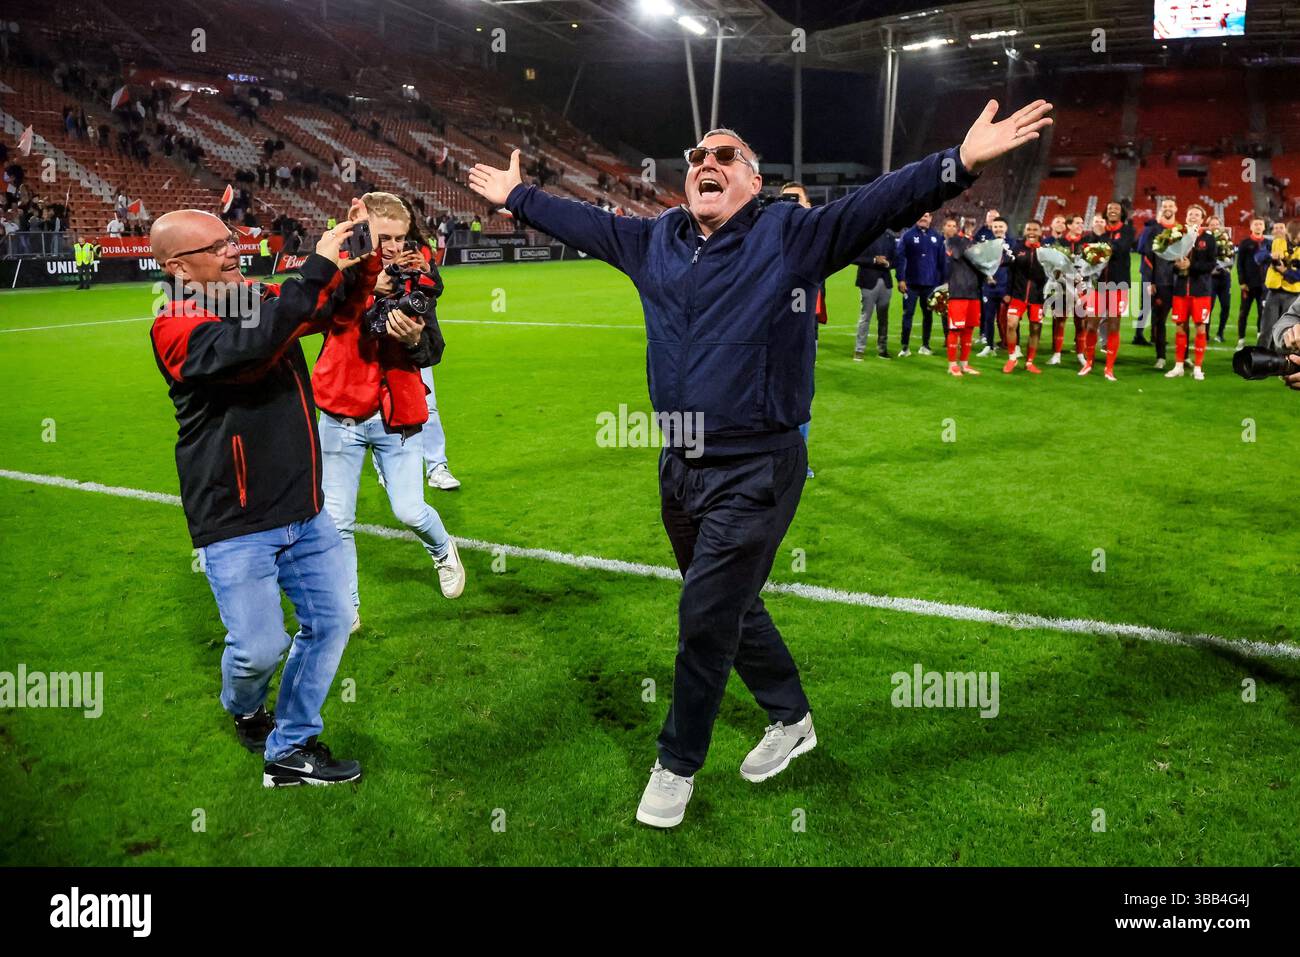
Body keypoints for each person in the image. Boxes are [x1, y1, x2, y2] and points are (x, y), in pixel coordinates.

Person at [469, 98, 1053, 828]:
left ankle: (676, 763)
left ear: (752, 178)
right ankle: (792, 716)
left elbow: (877, 202)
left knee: (705, 614)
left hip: (757, 465)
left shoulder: (791, 234)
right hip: (678, 464)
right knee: (732, 606)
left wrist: (957, 163)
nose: (704, 165)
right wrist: (517, 198)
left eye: (722, 157)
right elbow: (585, 223)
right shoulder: (656, 239)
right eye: (695, 159)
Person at [148, 206, 366, 787]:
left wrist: (365, 259)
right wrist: (316, 269)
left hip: (304, 505)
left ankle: (292, 746)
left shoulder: (251, 296)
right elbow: (254, 346)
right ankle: (244, 704)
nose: (232, 250)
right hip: (236, 517)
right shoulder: (173, 324)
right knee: (259, 650)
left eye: (230, 240)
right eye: (216, 246)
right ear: (178, 266)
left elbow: (318, 309)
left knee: (332, 622)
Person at [312, 192, 466, 631]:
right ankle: (349, 608)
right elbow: (314, 315)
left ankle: (443, 551)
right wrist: (363, 292)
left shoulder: (417, 277)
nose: (394, 248)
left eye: (401, 238)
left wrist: (414, 339)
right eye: (385, 238)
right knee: (338, 519)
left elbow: (433, 349)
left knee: (409, 510)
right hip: (341, 410)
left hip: (396, 411)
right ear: (362, 231)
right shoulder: (337, 268)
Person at [1164, 203, 1216, 380]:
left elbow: (1211, 264)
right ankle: (1178, 365)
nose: (1193, 217)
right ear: (1186, 218)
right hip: (1180, 290)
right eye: (1190, 214)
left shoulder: (1208, 239)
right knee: (1180, 327)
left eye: (1196, 215)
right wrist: (1176, 265)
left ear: (1202, 220)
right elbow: (1168, 261)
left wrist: (1191, 265)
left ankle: (1198, 367)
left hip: (1201, 291)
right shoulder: (1178, 236)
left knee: (1200, 328)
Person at [896, 211, 946, 356]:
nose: (923, 218)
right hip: (910, 284)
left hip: (930, 284)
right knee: (908, 314)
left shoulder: (937, 237)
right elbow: (900, 258)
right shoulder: (907, 235)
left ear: (931, 218)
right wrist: (901, 279)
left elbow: (941, 262)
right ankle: (904, 347)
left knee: (928, 315)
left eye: (926, 216)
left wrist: (943, 283)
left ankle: (925, 345)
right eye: (921, 215)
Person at [1002, 219, 1048, 374]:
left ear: (1041, 232)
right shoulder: (1017, 248)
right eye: (1029, 229)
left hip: (1037, 297)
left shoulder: (1046, 251)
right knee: (1011, 324)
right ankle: (1012, 358)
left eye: (1035, 229)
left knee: (1035, 328)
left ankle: (1029, 362)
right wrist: (1008, 292)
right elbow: (1010, 272)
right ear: (1025, 231)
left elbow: (1050, 276)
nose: (1032, 232)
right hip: (1018, 295)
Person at [1139, 197, 1179, 369]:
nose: (1168, 208)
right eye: (1165, 206)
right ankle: (1161, 357)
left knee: (1182, 321)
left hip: (1180, 282)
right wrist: (1149, 281)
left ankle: (1183, 357)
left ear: (1176, 208)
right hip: (1161, 282)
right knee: (1159, 320)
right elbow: (1147, 257)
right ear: (1161, 209)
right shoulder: (1154, 229)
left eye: (1170, 205)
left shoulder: (1181, 230)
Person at [943, 225, 985, 376]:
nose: (970, 230)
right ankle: (952, 365)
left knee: (969, 329)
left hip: (973, 292)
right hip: (958, 292)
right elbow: (956, 254)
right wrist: (966, 240)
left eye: (972, 227)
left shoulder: (976, 244)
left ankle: (965, 364)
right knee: (955, 330)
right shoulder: (953, 241)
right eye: (967, 227)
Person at [852, 227, 896, 360]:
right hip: (868, 280)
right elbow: (854, 256)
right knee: (865, 316)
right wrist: (874, 260)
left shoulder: (890, 236)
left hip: (885, 281)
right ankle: (859, 350)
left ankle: (882, 349)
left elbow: (896, 258)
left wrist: (887, 263)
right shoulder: (864, 234)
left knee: (883, 318)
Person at [1258, 220, 1300, 347]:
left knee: (1286, 332)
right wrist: (1270, 256)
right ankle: (1261, 358)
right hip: (1274, 292)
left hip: (1293, 296)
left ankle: (1282, 361)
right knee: (1266, 329)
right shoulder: (1276, 242)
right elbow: (1258, 257)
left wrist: (1285, 271)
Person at [976, 217, 1011, 358]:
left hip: (1006, 288)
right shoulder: (986, 245)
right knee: (988, 318)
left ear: (1006, 228)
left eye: (1001, 226)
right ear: (992, 228)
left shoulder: (1013, 244)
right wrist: (986, 275)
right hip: (989, 288)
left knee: (1010, 319)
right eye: (995, 226)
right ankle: (990, 346)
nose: (998, 229)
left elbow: (1015, 267)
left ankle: (1015, 346)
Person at [1235, 217, 1268, 350]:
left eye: (1260, 224)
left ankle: (1260, 337)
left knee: (1262, 312)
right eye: (1256, 224)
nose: (1258, 226)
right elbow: (1239, 264)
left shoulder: (1268, 243)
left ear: (1264, 227)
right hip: (1248, 285)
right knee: (1244, 312)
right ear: (1251, 227)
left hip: (1264, 286)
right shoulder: (1245, 243)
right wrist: (1242, 281)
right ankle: (1241, 339)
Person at [1204, 215, 1233, 343]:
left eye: (1217, 224)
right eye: (1212, 224)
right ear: (1208, 226)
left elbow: (1232, 257)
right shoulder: (1204, 240)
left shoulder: (1227, 240)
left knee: (1226, 306)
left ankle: (1220, 333)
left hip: (1225, 278)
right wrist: (1211, 269)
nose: (1215, 226)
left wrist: (1225, 267)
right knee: (1208, 307)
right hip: (1210, 278)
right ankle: (1205, 334)